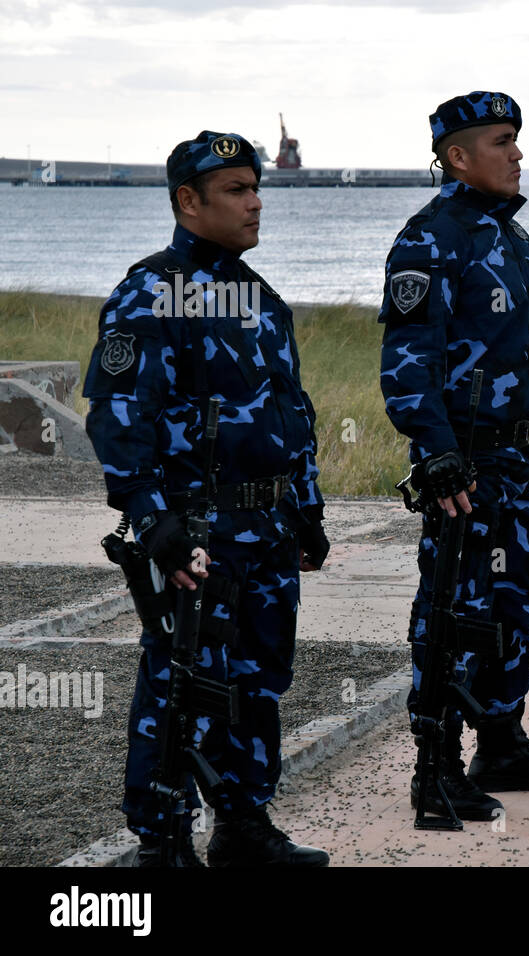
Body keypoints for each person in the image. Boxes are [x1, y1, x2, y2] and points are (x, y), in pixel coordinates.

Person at [83, 130, 330, 866]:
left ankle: (244, 827)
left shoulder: (261, 298)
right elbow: (119, 414)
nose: (255, 203)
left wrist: (309, 509)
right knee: (181, 683)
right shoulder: (152, 291)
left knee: (256, 684)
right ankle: (161, 843)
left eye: (257, 188)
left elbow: (294, 412)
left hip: (268, 529)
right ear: (188, 202)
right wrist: (152, 519)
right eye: (236, 191)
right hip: (197, 533)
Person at [378, 92, 529, 822]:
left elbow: (525, 357)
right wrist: (435, 455)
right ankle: (434, 767)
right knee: (452, 614)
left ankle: (500, 742)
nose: (517, 153)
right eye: (501, 142)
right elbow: (408, 363)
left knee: (511, 606)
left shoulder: (519, 246)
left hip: (518, 469)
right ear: (458, 157)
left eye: (517, 140)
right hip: (464, 471)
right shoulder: (430, 241)